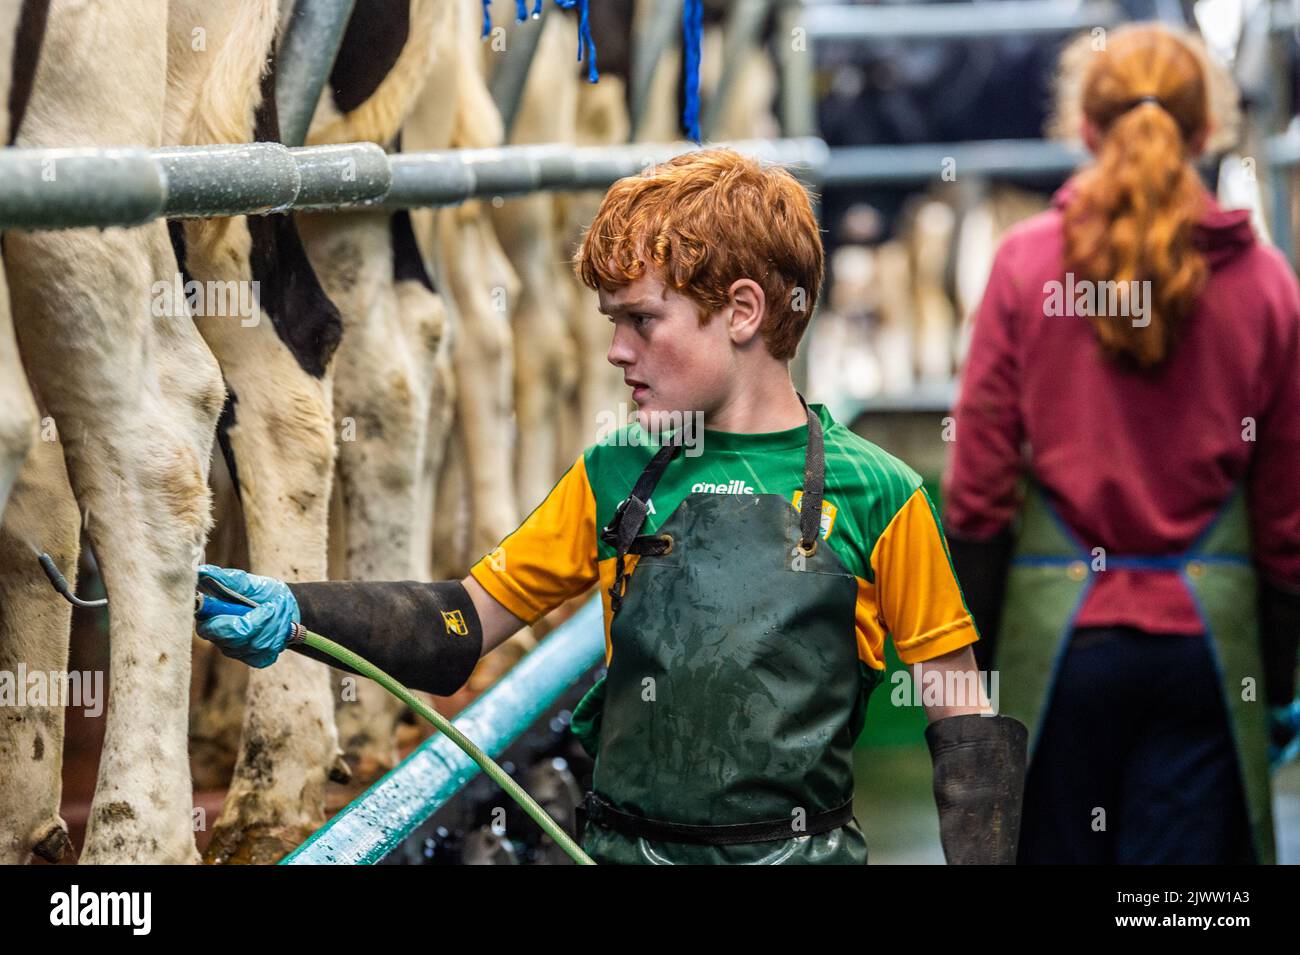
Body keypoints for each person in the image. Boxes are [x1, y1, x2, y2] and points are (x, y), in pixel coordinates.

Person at [196, 148, 1027, 865]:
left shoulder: (879, 494)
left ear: (743, 311)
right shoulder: (613, 475)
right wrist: (296, 611)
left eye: (641, 319)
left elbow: (963, 728)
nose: (616, 350)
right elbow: (457, 629)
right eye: (612, 320)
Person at [942, 23, 1300, 865]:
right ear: (1206, 132)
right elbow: (1287, 518)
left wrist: (972, 667)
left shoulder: (1026, 268)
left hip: (1059, 652)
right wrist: (1278, 682)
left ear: (1086, 130)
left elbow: (979, 488)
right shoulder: (1266, 286)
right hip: (1205, 661)